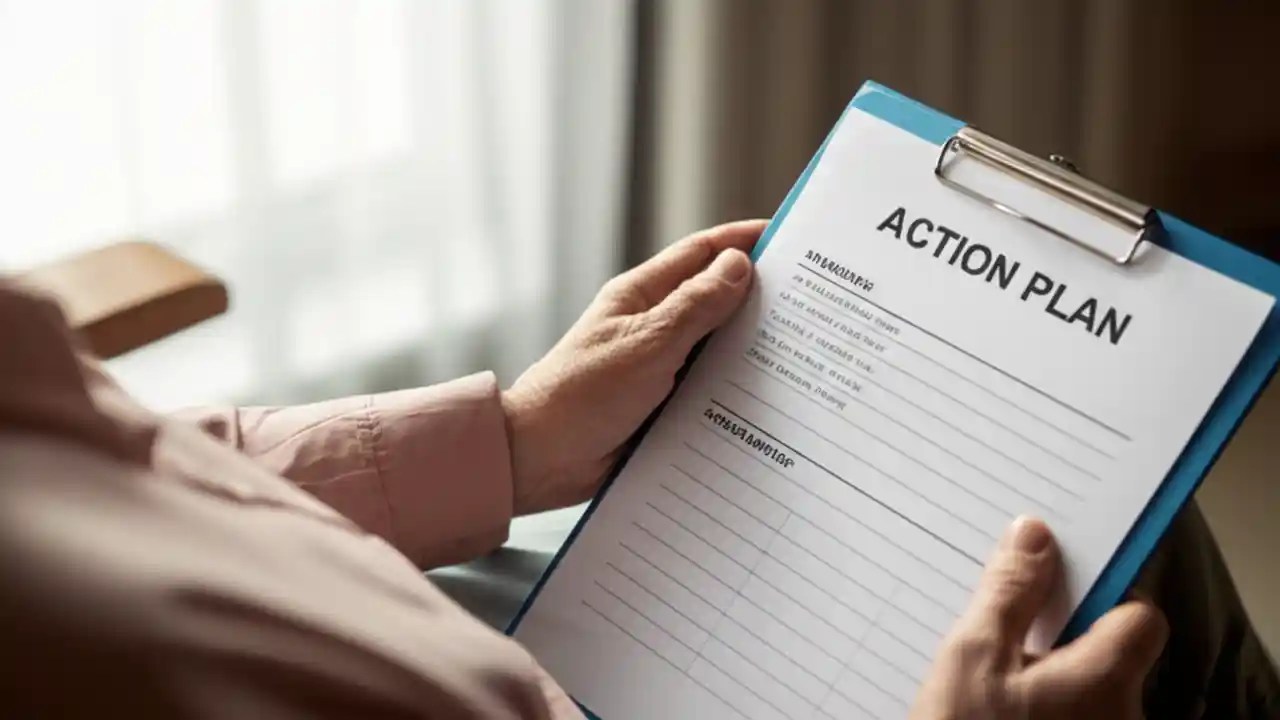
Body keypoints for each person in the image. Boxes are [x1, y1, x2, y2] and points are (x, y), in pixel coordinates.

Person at [1, 221, 1275, 719]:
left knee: (1107, 517)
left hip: (432, 610)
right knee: (1115, 586)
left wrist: (500, 443)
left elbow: (149, 467)